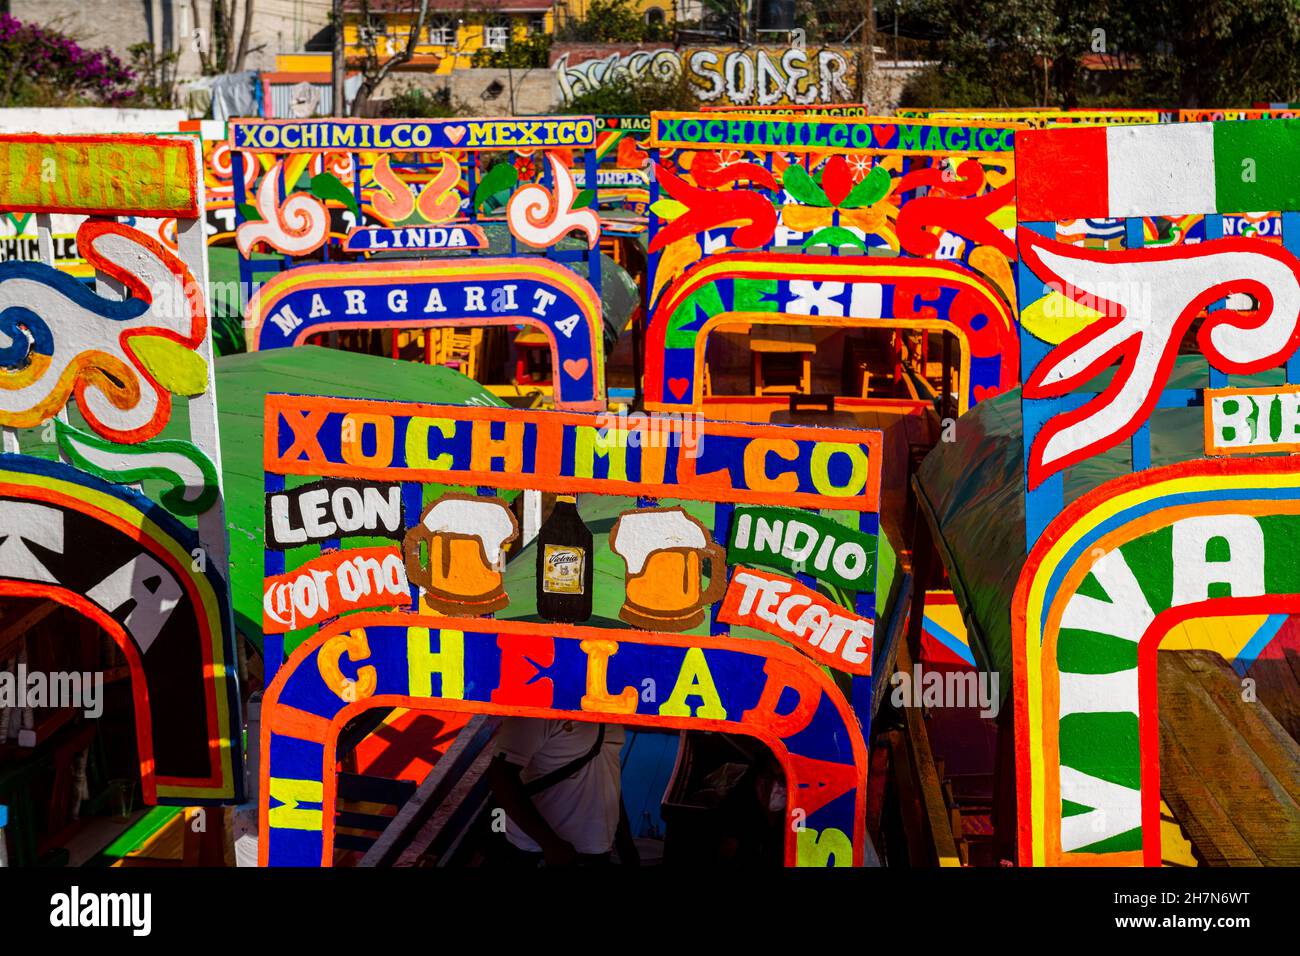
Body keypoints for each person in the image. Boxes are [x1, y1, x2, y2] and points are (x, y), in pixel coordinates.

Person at [487, 717, 639, 867]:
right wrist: (550, 844)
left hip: (597, 846)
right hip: (540, 850)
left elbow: (608, 775)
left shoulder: (611, 708)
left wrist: (624, 839)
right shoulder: (540, 709)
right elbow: (501, 776)